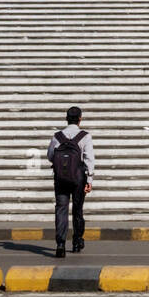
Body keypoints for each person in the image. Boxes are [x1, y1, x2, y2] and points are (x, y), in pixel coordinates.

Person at [47, 106, 94, 258]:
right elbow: (89, 159)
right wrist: (90, 179)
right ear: (80, 118)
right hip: (78, 178)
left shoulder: (57, 136)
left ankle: (60, 244)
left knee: (61, 209)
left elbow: (50, 156)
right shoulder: (85, 136)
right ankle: (76, 241)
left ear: (66, 118)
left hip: (60, 178)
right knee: (77, 209)